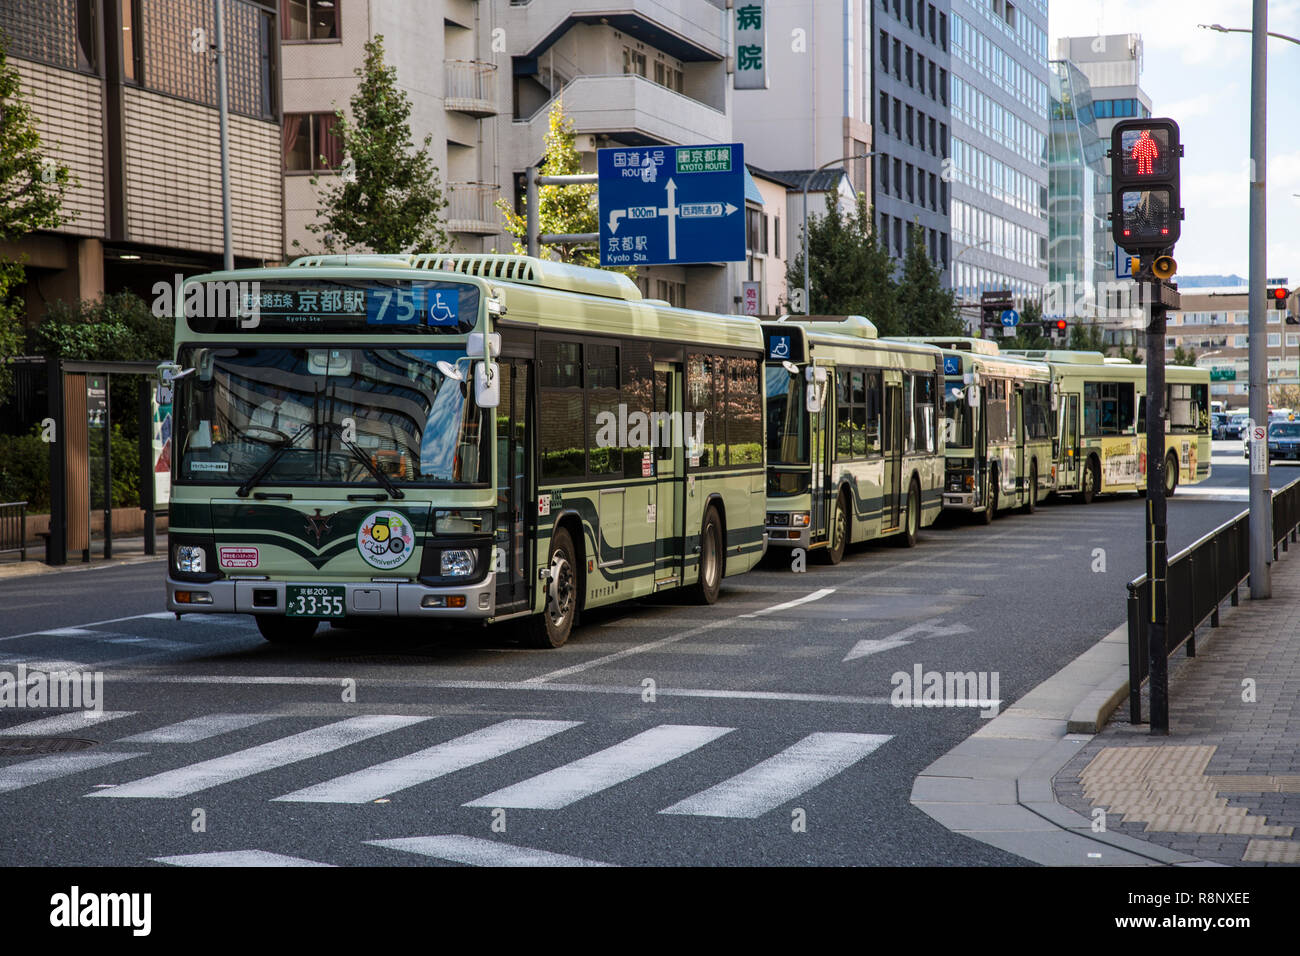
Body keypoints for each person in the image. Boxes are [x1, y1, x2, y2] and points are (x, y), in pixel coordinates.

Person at [246, 385, 314, 446]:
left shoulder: (302, 411)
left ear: (286, 389)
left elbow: (307, 443)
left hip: (290, 456)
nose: (274, 392)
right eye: (270, 389)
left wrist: (282, 442)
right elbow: (251, 438)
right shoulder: (260, 411)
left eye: (278, 388)